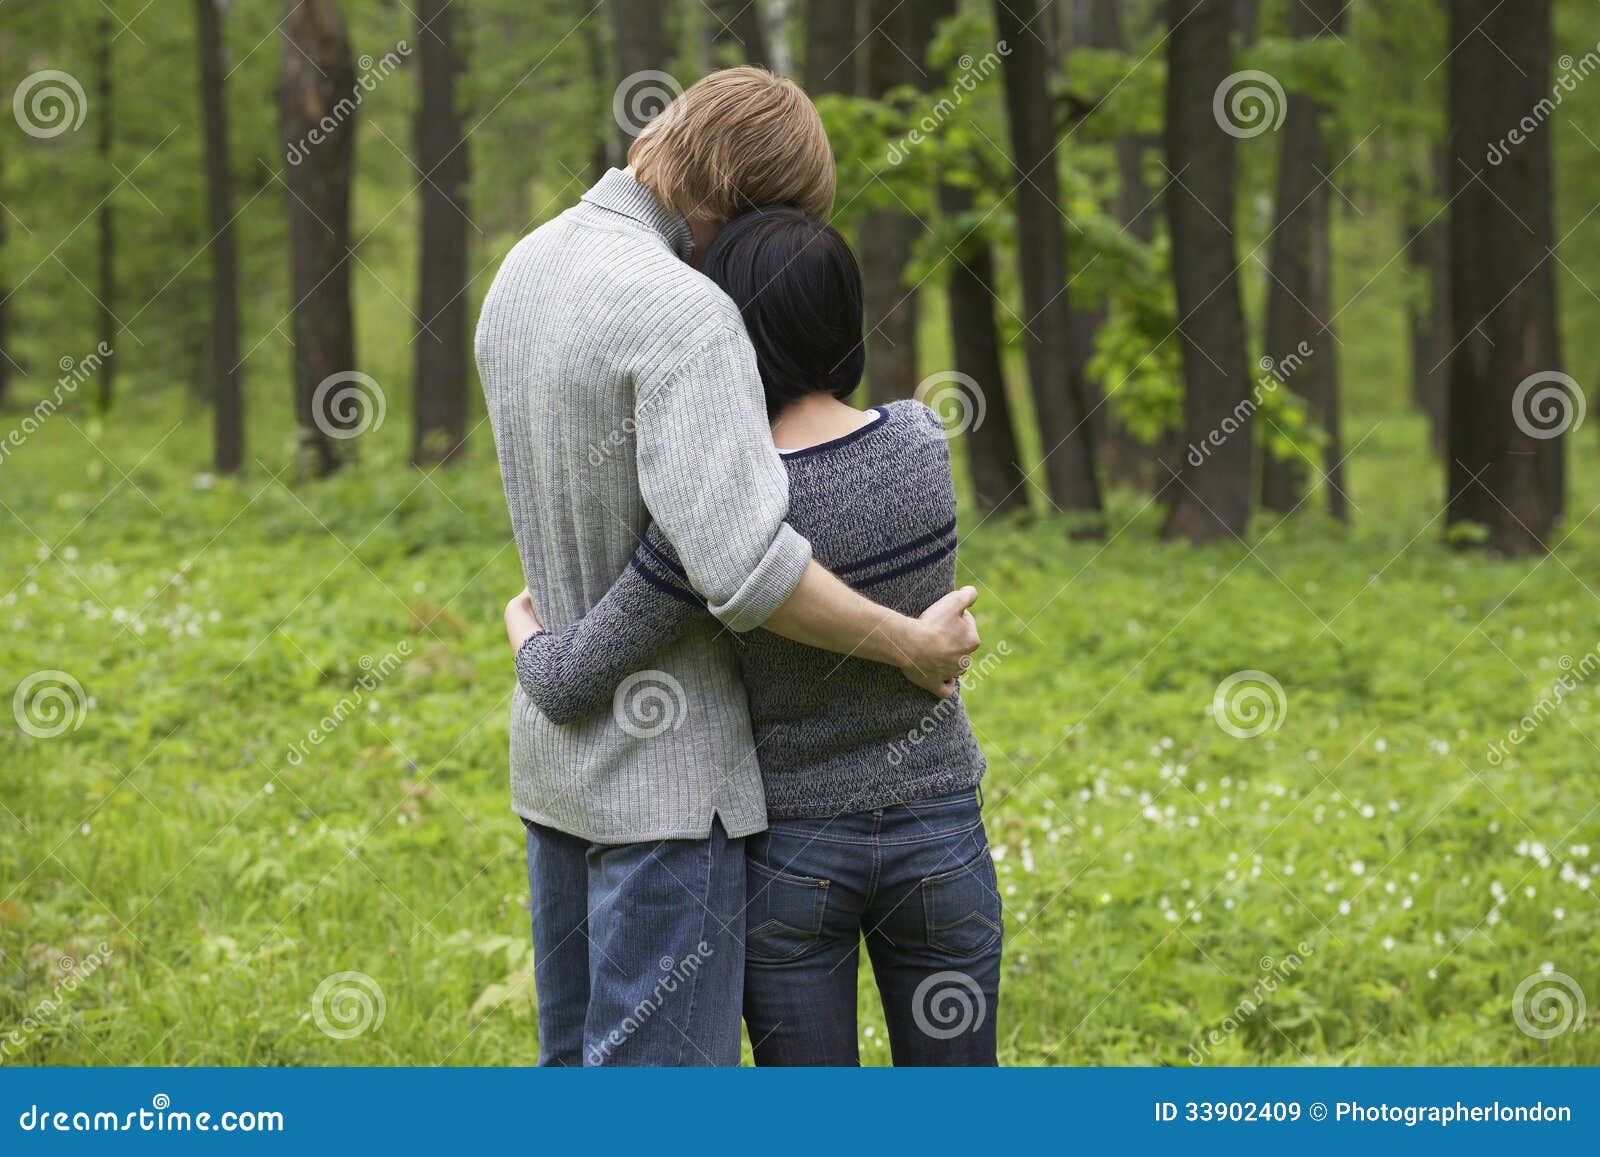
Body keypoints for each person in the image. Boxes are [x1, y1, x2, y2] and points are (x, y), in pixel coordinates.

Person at [475, 67, 981, 1067]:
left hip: (556, 768)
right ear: (743, 206)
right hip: (670, 787)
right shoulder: (682, 310)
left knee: (572, 1066)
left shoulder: (522, 271)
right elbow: (743, 568)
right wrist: (907, 642)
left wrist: (551, 655)